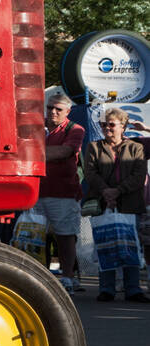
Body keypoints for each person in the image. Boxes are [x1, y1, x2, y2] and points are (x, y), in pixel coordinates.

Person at [83, 107, 148, 302]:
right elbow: (90, 173)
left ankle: (133, 289)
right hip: (103, 203)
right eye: (104, 125)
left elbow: (139, 175)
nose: (106, 128)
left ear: (123, 126)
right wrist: (106, 192)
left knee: (131, 246)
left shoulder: (136, 148)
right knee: (106, 245)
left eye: (111, 125)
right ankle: (107, 289)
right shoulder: (94, 147)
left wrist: (118, 191)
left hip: (129, 203)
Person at [32, 92, 86, 292]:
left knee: (65, 236)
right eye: (49, 108)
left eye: (58, 109)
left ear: (68, 112)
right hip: (35, 192)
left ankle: (68, 277)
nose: (52, 112)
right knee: (35, 235)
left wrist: (30, 153)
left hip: (63, 193)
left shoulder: (76, 129)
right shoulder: (35, 125)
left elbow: (64, 152)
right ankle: (37, 276)